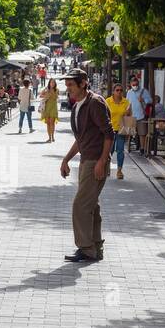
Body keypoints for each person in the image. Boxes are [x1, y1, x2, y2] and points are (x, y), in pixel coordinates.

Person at [59, 69, 112, 263]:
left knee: (80, 205)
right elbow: (80, 139)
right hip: (86, 160)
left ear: (83, 83)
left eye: (71, 84)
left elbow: (109, 133)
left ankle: (86, 248)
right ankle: (96, 247)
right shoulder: (78, 106)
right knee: (91, 206)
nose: (68, 88)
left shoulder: (95, 103)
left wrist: (102, 161)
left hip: (95, 161)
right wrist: (66, 159)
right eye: (67, 85)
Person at [106, 83, 131, 180]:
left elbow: (129, 117)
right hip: (110, 130)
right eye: (117, 90)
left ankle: (119, 171)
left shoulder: (126, 102)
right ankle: (107, 167)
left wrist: (129, 132)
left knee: (120, 151)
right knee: (109, 151)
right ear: (113, 91)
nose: (119, 92)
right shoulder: (108, 101)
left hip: (121, 129)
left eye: (121, 90)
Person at [124, 77, 152, 152]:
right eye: (133, 84)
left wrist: (143, 100)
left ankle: (142, 148)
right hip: (131, 115)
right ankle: (130, 147)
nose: (135, 86)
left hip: (141, 115)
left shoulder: (143, 91)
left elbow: (150, 101)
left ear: (138, 83)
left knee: (142, 133)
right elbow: (127, 103)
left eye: (136, 84)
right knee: (129, 133)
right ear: (130, 84)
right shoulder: (129, 92)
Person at [39, 78, 59, 142]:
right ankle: (49, 137)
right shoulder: (46, 89)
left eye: (53, 82)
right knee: (48, 123)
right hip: (46, 107)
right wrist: (45, 93)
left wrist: (49, 93)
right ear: (49, 83)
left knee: (52, 123)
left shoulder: (56, 90)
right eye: (51, 82)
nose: (52, 84)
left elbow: (55, 97)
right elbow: (40, 96)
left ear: (55, 83)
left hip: (53, 107)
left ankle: (53, 136)